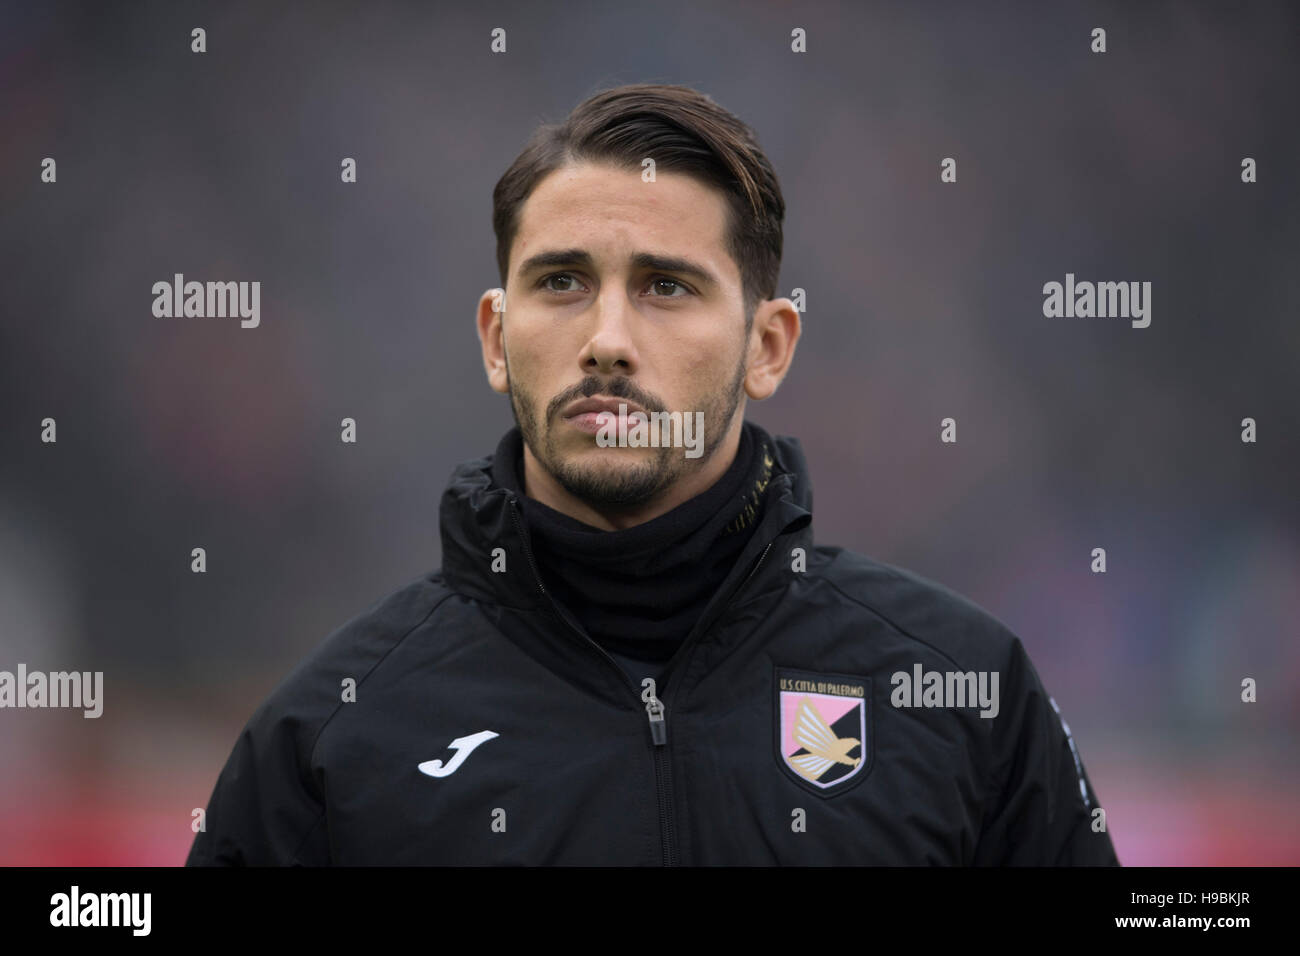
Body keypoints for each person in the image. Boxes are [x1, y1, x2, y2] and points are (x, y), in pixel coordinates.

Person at [187, 83, 1119, 866]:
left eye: (666, 287)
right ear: (495, 338)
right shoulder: (334, 734)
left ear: (768, 345)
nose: (608, 341)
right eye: (560, 282)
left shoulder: (961, 691)